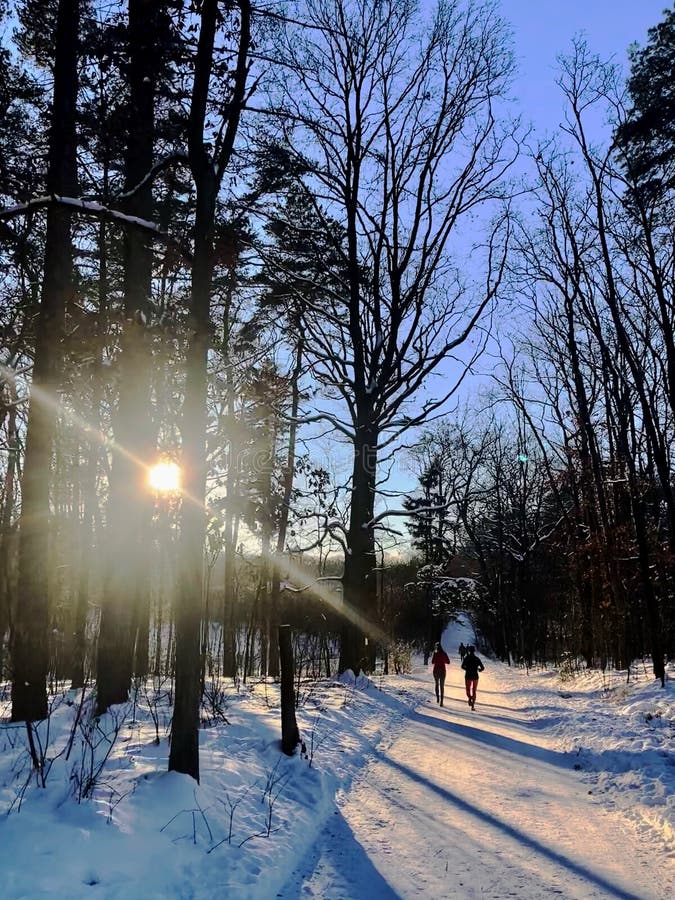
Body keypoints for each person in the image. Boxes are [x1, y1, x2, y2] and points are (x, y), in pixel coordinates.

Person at [461, 645, 484, 710]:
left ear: (469, 651)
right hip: (475, 677)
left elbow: (462, 666)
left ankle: (470, 698)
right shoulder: (477, 659)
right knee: (474, 690)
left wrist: (467, 669)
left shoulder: (466, 658)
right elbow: (482, 668)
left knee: (468, 689)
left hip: (468, 676)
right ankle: (473, 705)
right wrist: (479, 670)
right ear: (474, 651)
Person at [431, 642, 450, 706]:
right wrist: (443, 660)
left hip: (436, 670)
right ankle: (441, 701)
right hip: (442, 671)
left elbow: (432, 662)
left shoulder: (435, 654)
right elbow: (448, 662)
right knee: (442, 686)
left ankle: (437, 698)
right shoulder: (444, 654)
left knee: (436, 684)